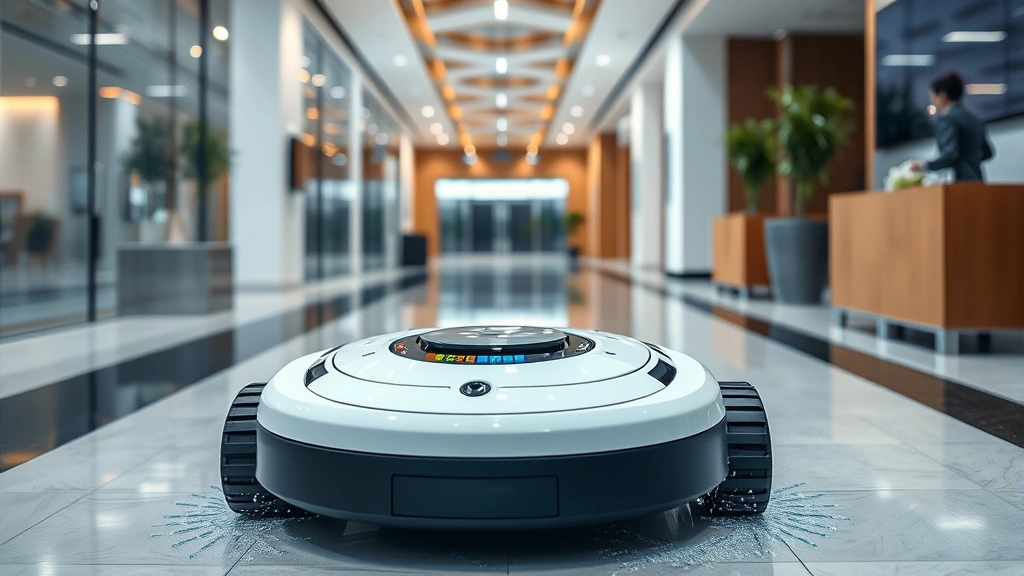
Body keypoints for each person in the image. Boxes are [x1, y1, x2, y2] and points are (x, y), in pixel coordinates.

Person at [909, 72, 994, 181]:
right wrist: (970, 161)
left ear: (942, 96)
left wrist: (924, 166)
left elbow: (950, 155)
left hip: (958, 184)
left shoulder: (947, 119)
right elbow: (988, 153)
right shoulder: (975, 119)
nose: (932, 102)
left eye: (933, 96)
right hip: (978, 181)